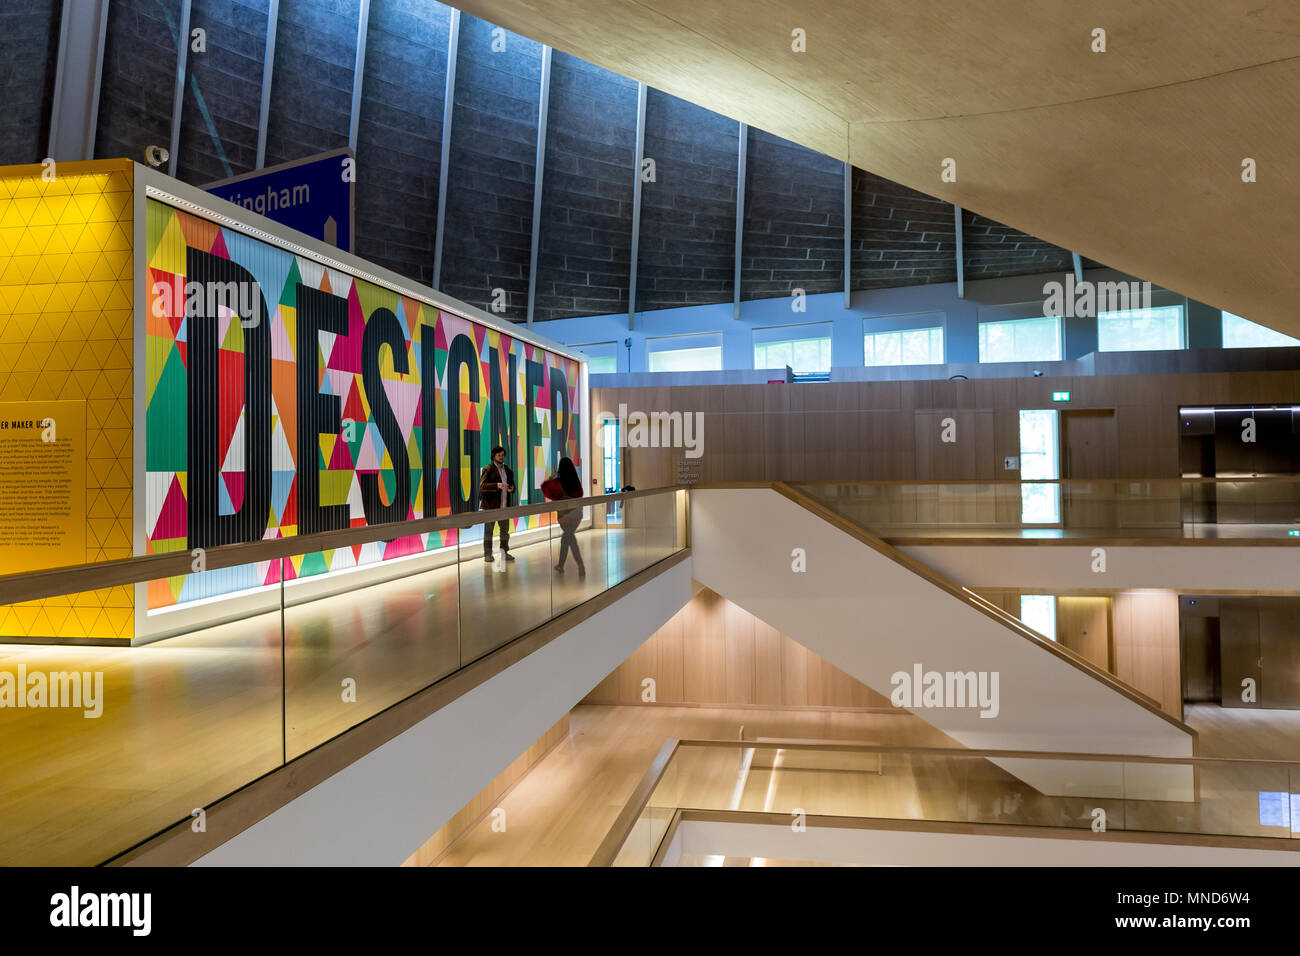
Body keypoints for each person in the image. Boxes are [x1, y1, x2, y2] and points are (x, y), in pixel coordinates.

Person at [541, 457, 585, 576]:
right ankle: (561, 566)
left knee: (569, 538)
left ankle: (580, 565)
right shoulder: (576, 482)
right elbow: (580, 494)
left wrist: (551, 477)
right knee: (566, 538)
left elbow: (545, 489)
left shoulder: (557, 483)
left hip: (564, 516)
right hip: (576, 515)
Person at [478, 446, 516, 563]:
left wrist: (511, 488)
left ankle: (504, 553)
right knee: (488, 531)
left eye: (503, 455)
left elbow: (512, 485)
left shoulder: (508, 470)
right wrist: (497, 485)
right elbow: (482, 486)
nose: (501, 457)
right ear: (494, 456)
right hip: (491, 507)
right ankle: (488, 554)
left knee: (505, 531)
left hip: (504, 506)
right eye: (499, 455)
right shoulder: (488, 469)